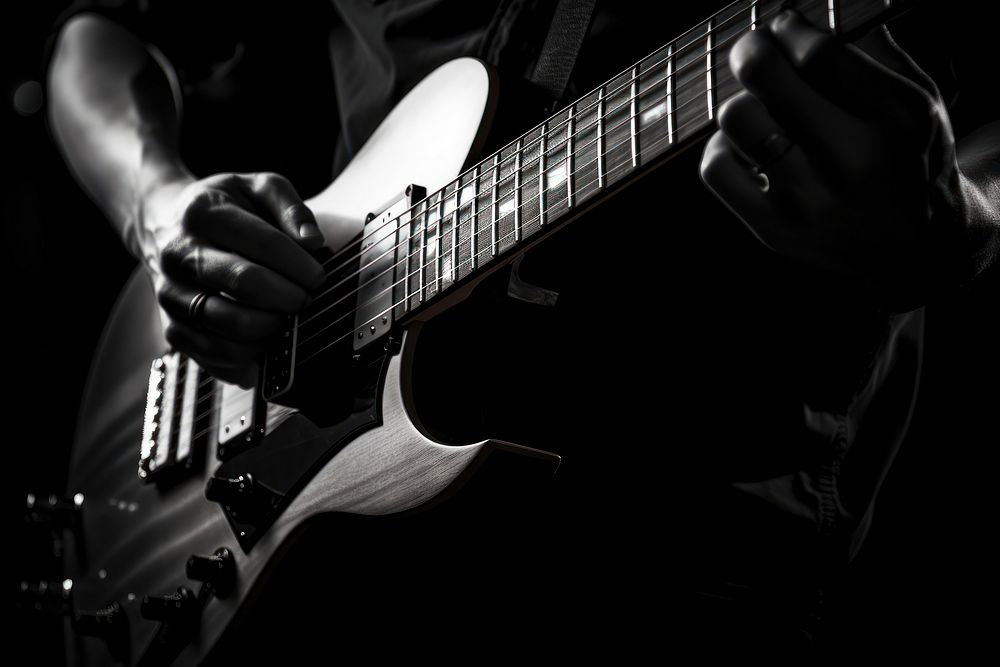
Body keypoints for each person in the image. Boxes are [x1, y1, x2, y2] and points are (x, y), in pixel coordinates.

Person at [47, 0, 998, 657]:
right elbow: (102, 36)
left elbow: (977, 185)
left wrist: (954, 238)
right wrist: (161, 209)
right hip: (331, 540)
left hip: (685, 562)